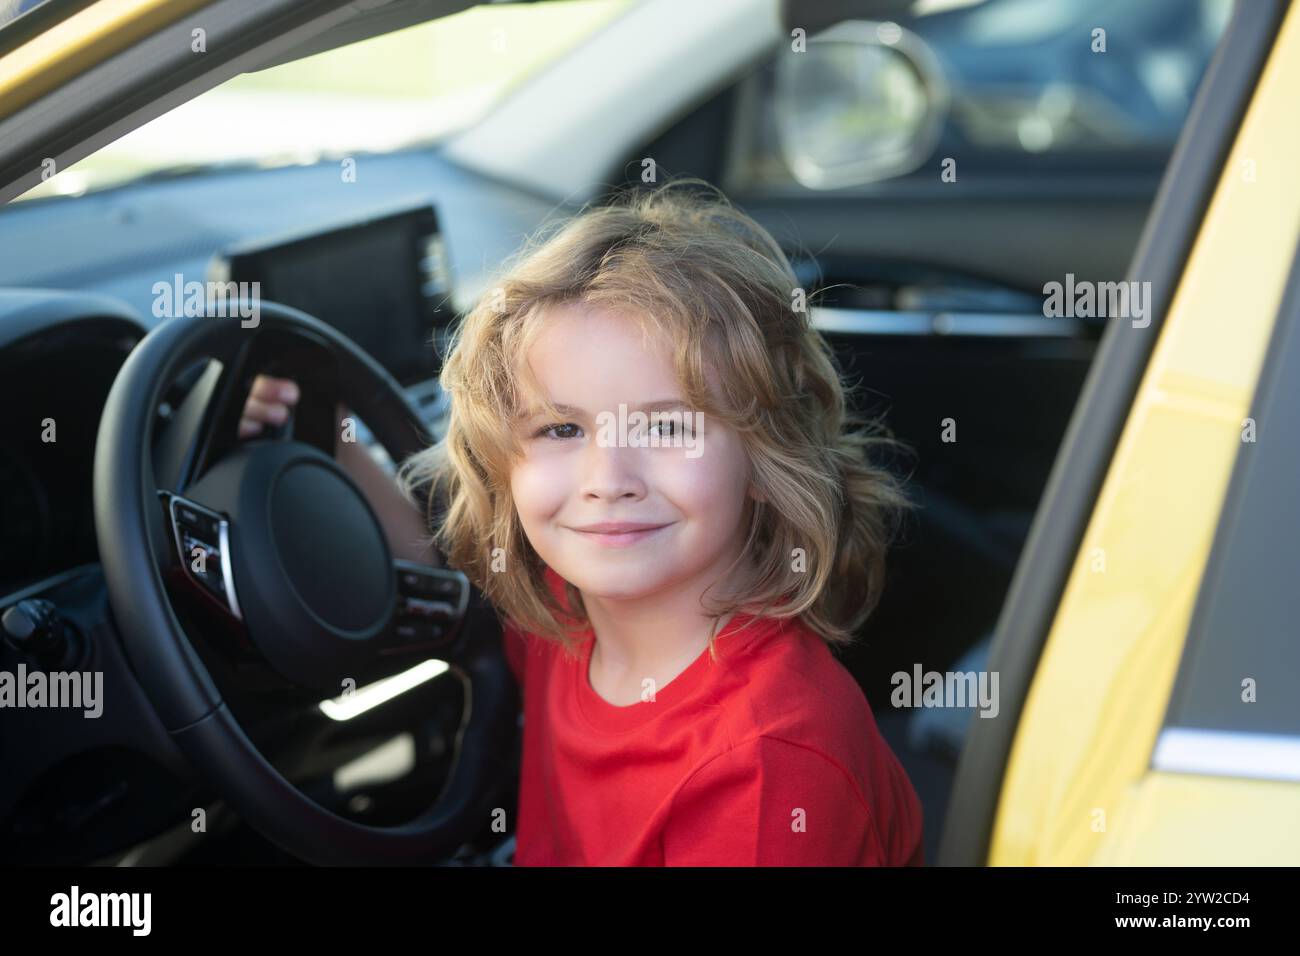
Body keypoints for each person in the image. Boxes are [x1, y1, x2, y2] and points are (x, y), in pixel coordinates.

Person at [240, 178, 924, 866]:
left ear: (767, 457)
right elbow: (426, 565)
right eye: (562, 428)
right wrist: (331, 435)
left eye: (665, 425)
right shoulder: (568, 609)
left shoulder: (768, 768)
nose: (607, 483)